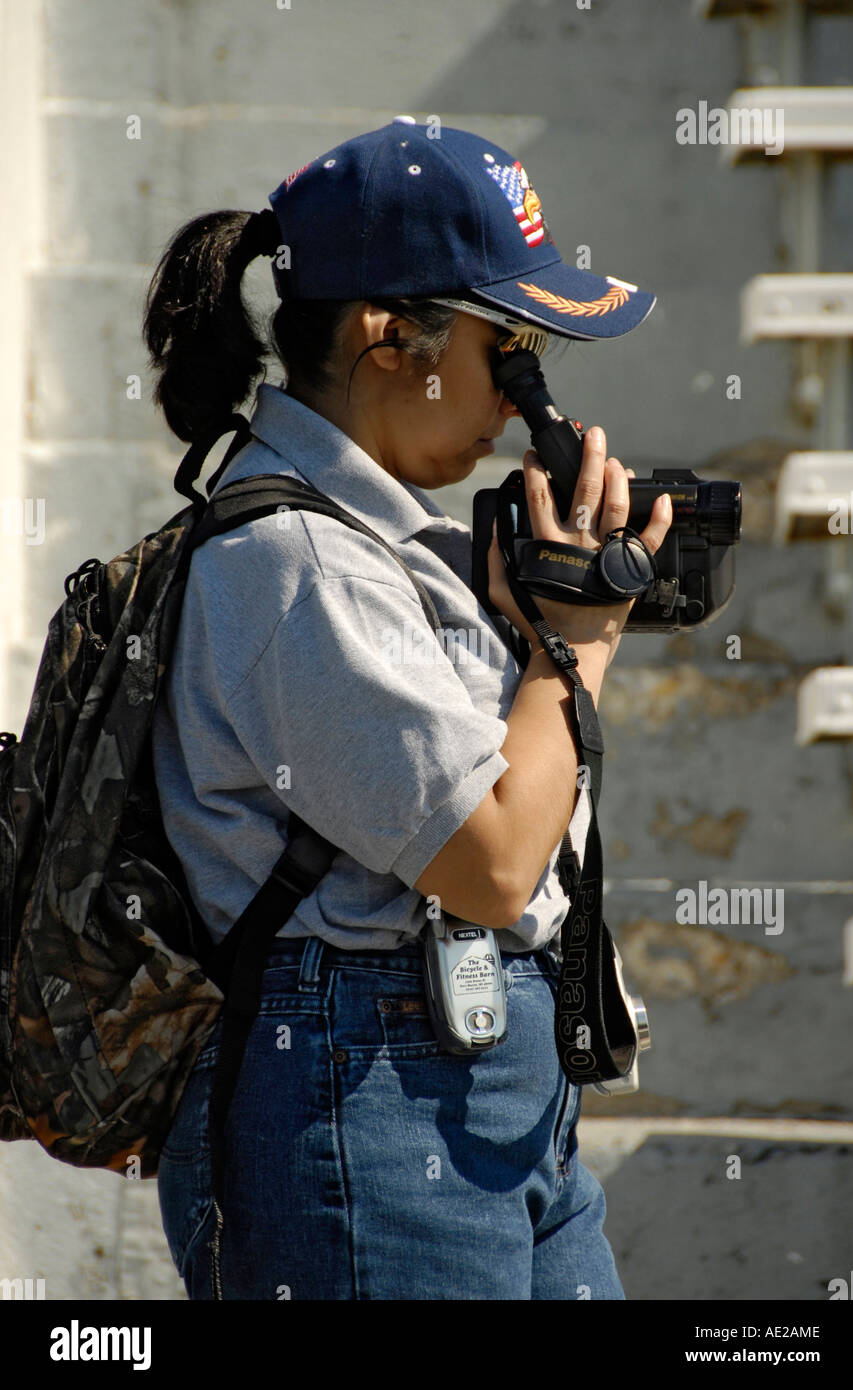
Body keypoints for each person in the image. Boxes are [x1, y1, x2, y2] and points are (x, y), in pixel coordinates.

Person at [145, 118, 672, 1301]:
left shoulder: (385, 549)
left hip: (481, 1073)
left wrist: (544, 629)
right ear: (394, 338)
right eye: (512, 347)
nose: (526, 393)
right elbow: (488, 860)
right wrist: (577, 644)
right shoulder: (295, 563)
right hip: (363, 1092)